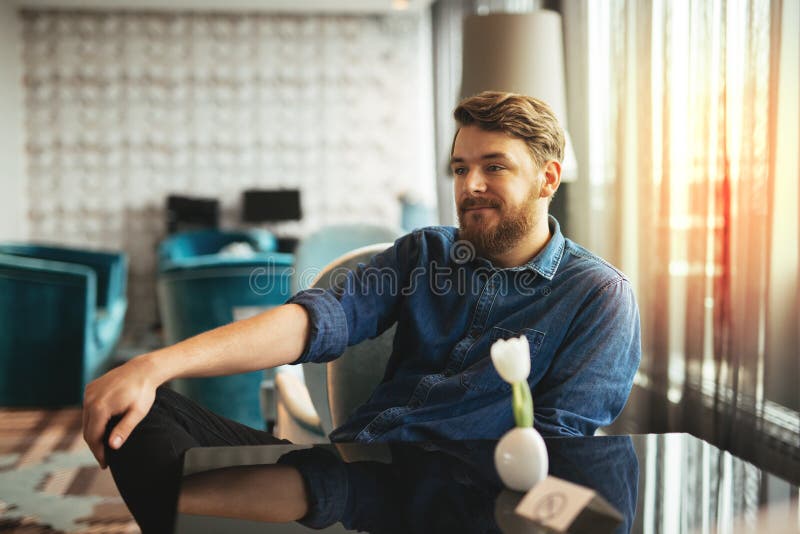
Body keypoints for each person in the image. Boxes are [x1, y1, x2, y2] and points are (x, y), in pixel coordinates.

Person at [82, 91, 641, 532]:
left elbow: (552, 453)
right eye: (459, 167)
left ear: (548, 177)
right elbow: (318, 319)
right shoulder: (425, 252)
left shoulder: (597, 296)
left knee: (182, 503)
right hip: (347, 476)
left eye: (494, 167)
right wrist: (154, 365)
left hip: (459, 506)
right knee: (132, 415)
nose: (470, 186)